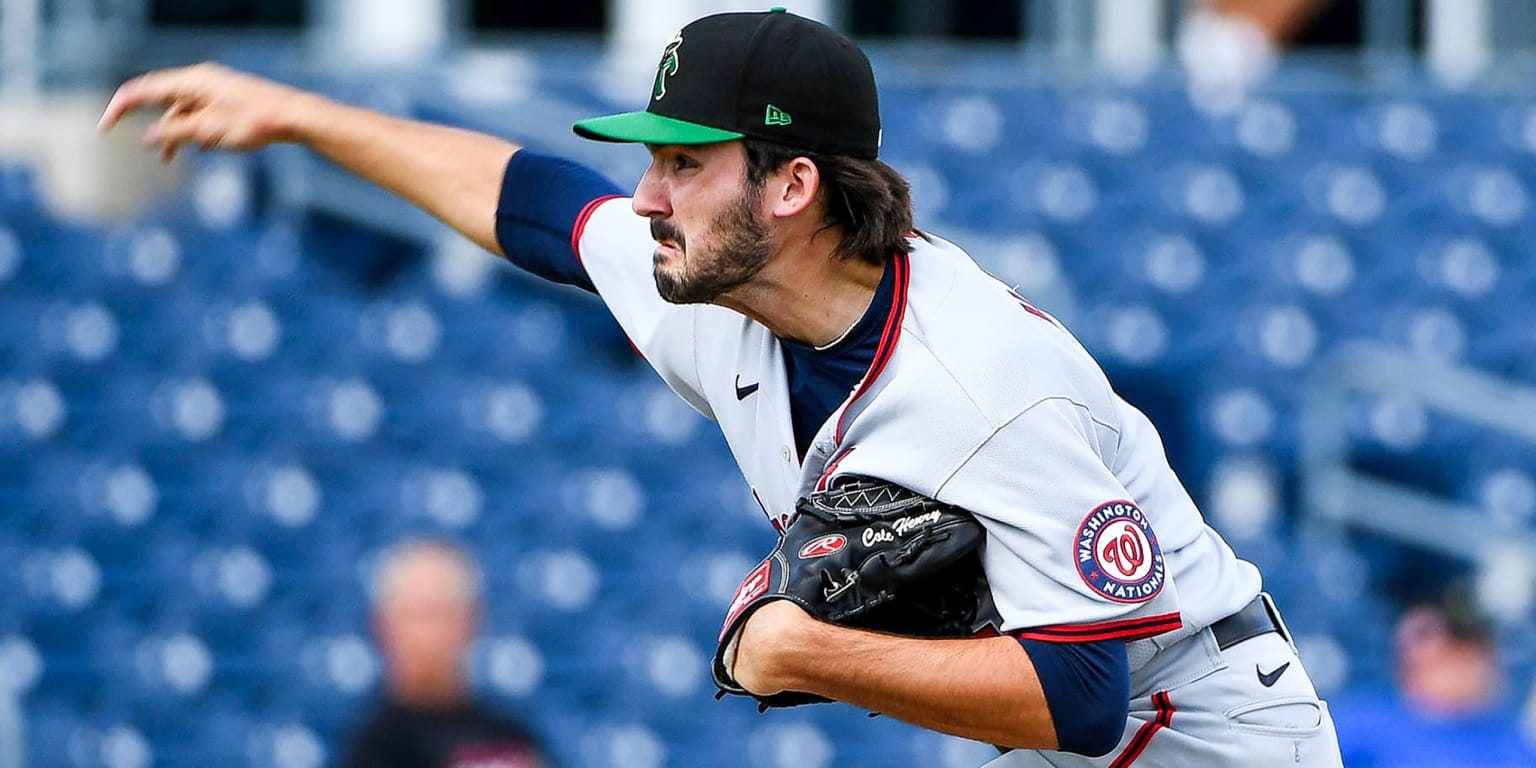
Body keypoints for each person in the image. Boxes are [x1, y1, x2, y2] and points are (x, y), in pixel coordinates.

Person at [100, 9, 1344, 765]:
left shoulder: (984, 380)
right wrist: (300, 116)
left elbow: (1075, 696)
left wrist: (806, 652)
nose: (647, 197)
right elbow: (530, 203)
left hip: (1213, 733)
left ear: (792, 186)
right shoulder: (718, 292)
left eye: (684, 165)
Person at [342, 539, 547, 768]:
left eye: (442, 613)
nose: (431, 633)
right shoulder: (372, 747)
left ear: (474, 619)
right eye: (417, 615)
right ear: (382, 625)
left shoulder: (511, 740)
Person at [1332, 584, 1536, 767]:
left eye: (1471, 649)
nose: (1463, 663)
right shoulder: (1361, 721)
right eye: (1453, 647)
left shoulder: (1511, 747)